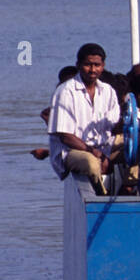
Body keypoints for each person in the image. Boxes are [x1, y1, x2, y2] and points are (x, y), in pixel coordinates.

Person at [48, 43, 121, 194]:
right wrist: (95, 152)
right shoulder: (66, 92)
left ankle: (128, 192)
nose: (93, 70)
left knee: (139, 149)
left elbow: (114, 124)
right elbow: (65, 137)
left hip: (103, 146)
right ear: (78, 65)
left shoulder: (108, 91)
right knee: (92, 164)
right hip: (73, 151)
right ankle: (102, 198)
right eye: (88, 65)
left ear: (103, 65)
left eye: (97, 65)